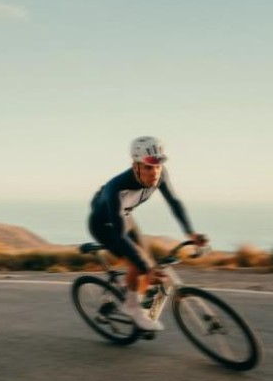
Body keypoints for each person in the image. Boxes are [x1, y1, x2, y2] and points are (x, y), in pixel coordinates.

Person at [88, 136, 207, 331]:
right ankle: (132, 307)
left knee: (148, 261)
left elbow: (174, 202)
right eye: (149, 167)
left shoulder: (160, 174)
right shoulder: (117, 189)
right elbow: (121, 236)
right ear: (136, 166)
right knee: (139, 263)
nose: (155, 172)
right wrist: (145, 267)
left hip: (123, 215)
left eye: (158, 165)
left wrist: (190, 233)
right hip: (103, 224)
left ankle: (125, 292)